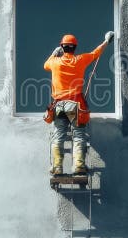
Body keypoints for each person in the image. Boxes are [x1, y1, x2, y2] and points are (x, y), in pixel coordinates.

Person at [44, 31, 115, 175]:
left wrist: (54, 53)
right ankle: (79, 166)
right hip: (75, 105)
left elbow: (46, 65)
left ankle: (57, 167)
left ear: (62, 47)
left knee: (58, 136)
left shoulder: (54, 62)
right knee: (78, 136)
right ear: (74, 48)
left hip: (58, 106)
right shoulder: (80, 60)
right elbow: (95, 53)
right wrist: (106, 41)